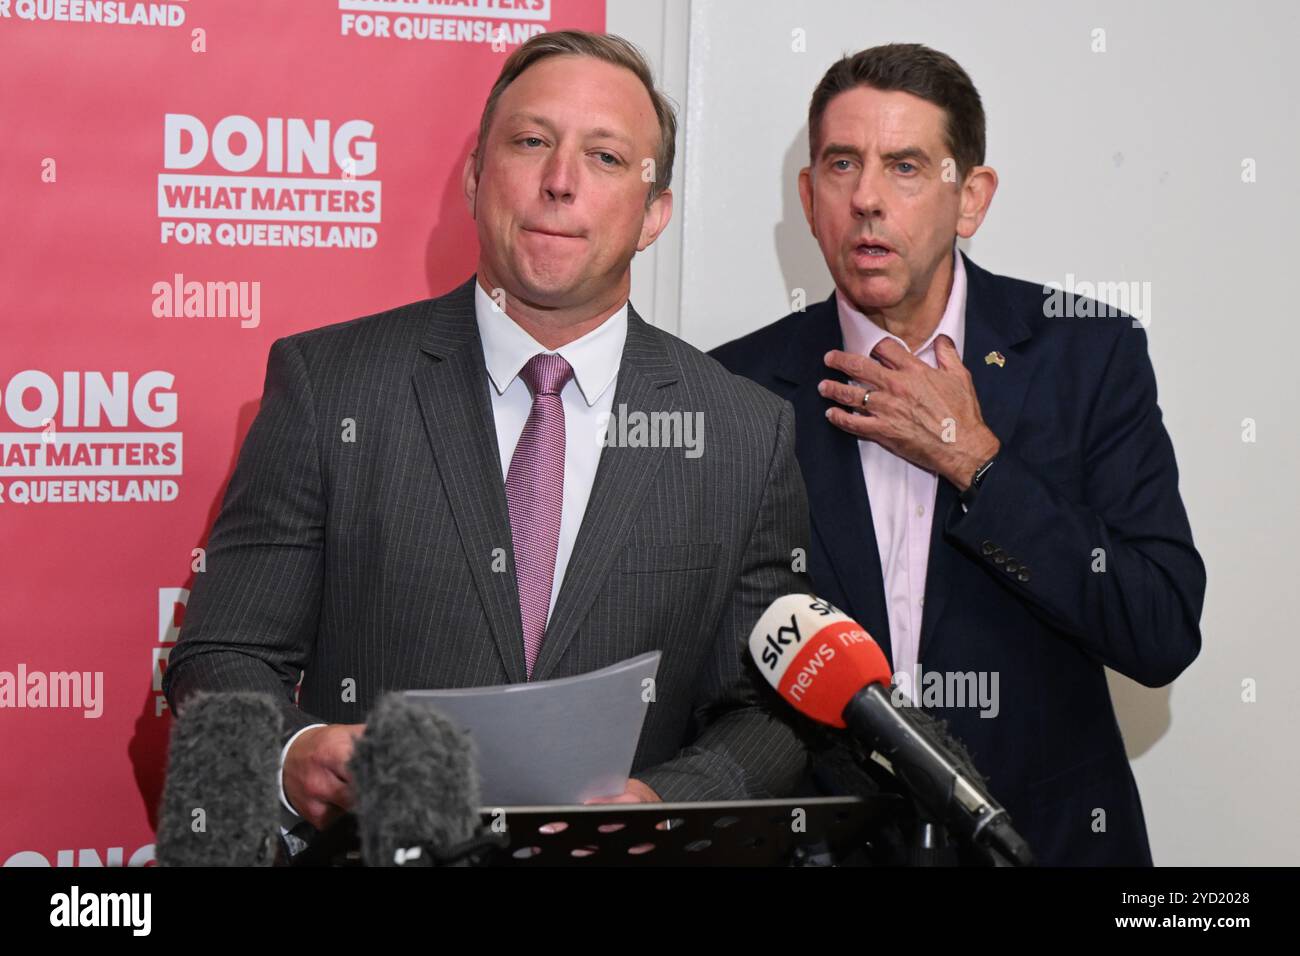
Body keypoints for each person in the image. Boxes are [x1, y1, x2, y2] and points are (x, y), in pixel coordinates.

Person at [164, 30, 812, 839]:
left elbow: (764, 712)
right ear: (476, 178)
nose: (560, 181)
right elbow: (221, 654)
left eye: (608, 158)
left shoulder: (742, 432)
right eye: (532, 141)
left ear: (654, 216)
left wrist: (666, 800)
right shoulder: (328, 385)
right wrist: (295, 753)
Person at [710, 43, 1205, 866]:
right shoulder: (733, 386)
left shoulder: (1089, 357)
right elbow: (717, 673)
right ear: (808, 197)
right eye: (842, 165)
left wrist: (979, 464)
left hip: (1042, 843)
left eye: (905, 167)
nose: (866, 198)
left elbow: (1159, 630)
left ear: (969, 199)